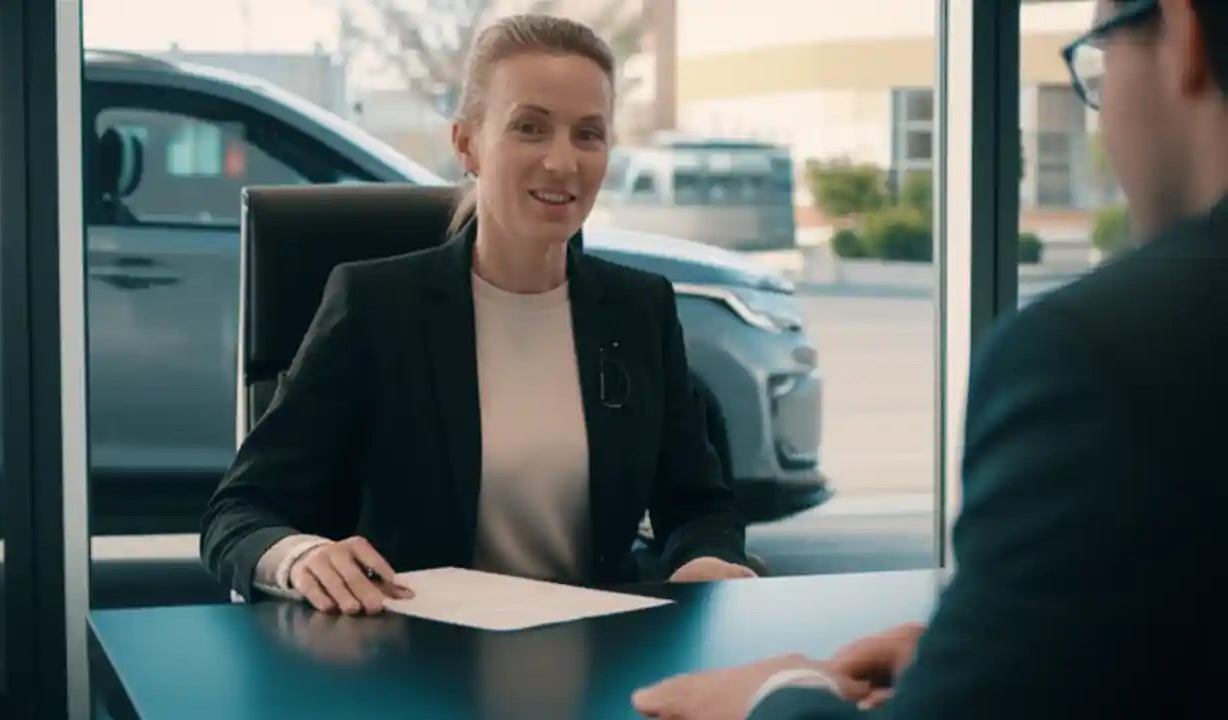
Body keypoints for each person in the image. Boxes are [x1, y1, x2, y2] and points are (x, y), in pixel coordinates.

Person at [632, 0, 1228, 717]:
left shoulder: (1094, 357)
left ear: (1183, 33)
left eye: (1101, 57)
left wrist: (772, 696)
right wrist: (1003, 651)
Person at [199, 14, 757, 616]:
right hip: (416, 662)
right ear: (466, 143)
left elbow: (699, 505)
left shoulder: (639, 309)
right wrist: (298, 555)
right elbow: (238, 513)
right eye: (529, 128)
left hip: (601, 657)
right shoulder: (377, 306)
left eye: (588, 134)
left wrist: (700, 558)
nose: (562, 162)